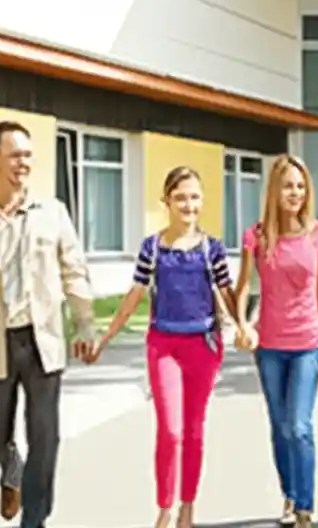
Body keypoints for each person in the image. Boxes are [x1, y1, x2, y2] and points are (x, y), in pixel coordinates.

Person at [0, 120, 96, 528]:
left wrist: (84, 324)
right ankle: (11, 468)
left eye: (28, 155)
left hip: (42, 339)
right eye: (14, 155)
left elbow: (74, 270)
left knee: (45, 436)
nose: (23, 163)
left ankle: (36, 519)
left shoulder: (53, 212)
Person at [88, 166, 233, 528]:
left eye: (194, 196)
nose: (188, 204)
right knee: (170, 430)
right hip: (163, 345)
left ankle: (188, 506)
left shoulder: (211, 248)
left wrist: (244, 327)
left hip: (203, 344)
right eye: (180, 197)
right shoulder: (152, 247)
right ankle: (165, 506)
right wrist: (106, 337)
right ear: (166, 201)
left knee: (194, 430)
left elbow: (227, 293)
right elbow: (134, 295)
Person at [233, 154, 318, 528]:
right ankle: (290, 493)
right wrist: (243, 323)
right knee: (280, 426)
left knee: (299, 425)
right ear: (274, 191)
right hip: (270, 347)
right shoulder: (257, 236)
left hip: (308, 343)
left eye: (300, 186)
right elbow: (244, 285)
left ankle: (305, 507)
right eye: (288, 186)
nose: (295, 192)